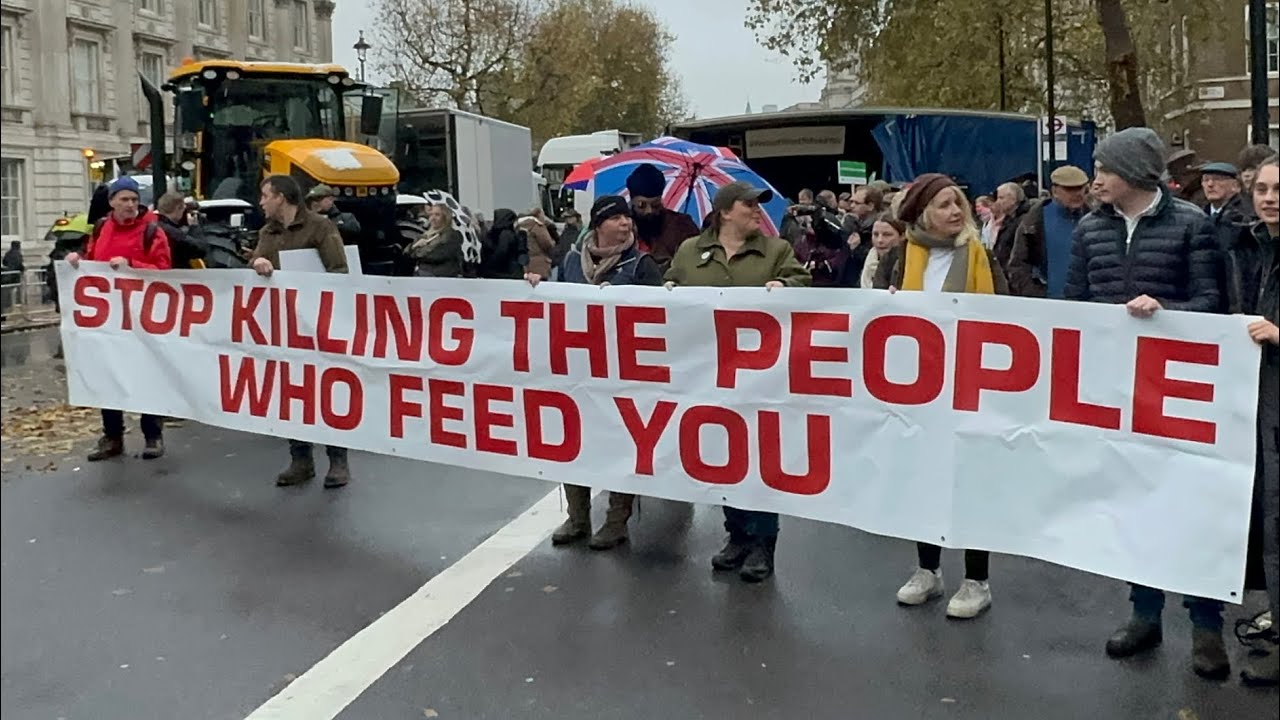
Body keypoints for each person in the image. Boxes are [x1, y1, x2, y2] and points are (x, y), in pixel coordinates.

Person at [1062, 128, 1226, 679]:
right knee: (1133, 503)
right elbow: (1075, 303)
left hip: (1179, 393)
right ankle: (1144, 612)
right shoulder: (1090, 228)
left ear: (1131, 172)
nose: (1096, 177)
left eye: (1103, 168)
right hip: (1119, 392)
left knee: (1192, 506)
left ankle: (1206, 625)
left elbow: (1212, 301)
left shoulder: (1190, 225)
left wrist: (1166, 310)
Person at [873, 173, 1007, 619]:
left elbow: (1007, 315)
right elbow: (880, 315)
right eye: (945, 205)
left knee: (972, 482)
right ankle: (928, 569)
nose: (955, 212)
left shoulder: (979, 255)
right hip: (919, 387)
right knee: (922, 477)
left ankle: (976, 579)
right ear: (922, 213)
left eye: (958, 204)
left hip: (969, 385)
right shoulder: (902, 256)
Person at [664, 181, 811, 582]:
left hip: (761, 375)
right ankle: (737, 535)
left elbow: (805, 284)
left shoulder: (775, 250)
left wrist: (785, 286)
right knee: (722, 454)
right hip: (708, 372)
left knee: (759, 456)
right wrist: (668, 290)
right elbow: (667, 291)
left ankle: (764, 541)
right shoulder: (690, 251)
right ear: (726, 211)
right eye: (748, 205)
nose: (755, 212)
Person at [545, 195, 665, 550]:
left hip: (623, 372)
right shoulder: (570, 262)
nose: (626, 224)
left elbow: (659, 315)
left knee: (620, 444)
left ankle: (616, 520)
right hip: (578, 370)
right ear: (598, 225)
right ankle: (577, 517)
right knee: (573, 441)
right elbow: (551, 303)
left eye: (628, 219)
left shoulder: (641, 264)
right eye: (617, 219)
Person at [250, 174, 353, 489]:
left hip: (317, 324)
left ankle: (337, 460)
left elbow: (339, 270)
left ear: (280, 196)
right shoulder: (268, 231)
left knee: (324, 389)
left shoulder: (320, 227)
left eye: (265, 195)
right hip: (283, 325)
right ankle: (300, 458)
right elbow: (257, 257)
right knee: (292, 391)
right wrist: (257, 262)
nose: (262, 202)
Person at [65, 175, 172, 462]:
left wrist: (132, 266)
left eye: (135, 200)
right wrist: (77, 262)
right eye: (124, 199)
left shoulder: (152, 231)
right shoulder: (101, 228)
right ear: (112, 201)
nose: (130, 205)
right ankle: (112, 436)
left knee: (146, 375)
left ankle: (153, 436)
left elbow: (164, 272)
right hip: (108, 320)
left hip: (142, 318)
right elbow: (91, 261)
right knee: (108, 376)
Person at [1226, 159, 1279, 686]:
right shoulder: (1244, 247)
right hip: (1258, 404)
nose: (1269, 198)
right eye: (1261, 188)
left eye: (1279, 189)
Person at [1006, 165, 1091, 298]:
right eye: (1069, 189)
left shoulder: (1095, 219)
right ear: (1055, 191)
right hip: (1046, 307)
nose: (1077, 194)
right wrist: (1033, 295)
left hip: (1089, 306)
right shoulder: (1034, 220)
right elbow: (1018, 265)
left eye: (1080, 188)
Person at [625, 163, 699, 269]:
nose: (649, 211)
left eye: (655, 205)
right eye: (642, 205)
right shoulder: (623, 227)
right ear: (632, 202)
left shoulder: (682, 225)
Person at [407, 202, 466, 278]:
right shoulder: (424, 235)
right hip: (421, 278)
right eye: (431, 214)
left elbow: (438, 256)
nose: (433, 218)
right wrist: (415, 246)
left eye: (437, 215)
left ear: (445, 217)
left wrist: (417, 251)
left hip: (441, 278)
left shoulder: (453, 235)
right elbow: (406, 253)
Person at [154, 191, 207, 270]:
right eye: (184, 209)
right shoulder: (172, 233)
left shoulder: (153, 224)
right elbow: (201, 249)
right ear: (178, 208)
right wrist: (194, 226)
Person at [857, 213, 905, 289]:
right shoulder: (861, 260)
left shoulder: (907, 265)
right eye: (875, 234)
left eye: (887, 235)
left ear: (902, 236)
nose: (880, 240)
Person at [991, 181, 1030, 271]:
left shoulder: (1024, 221)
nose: (998, 202)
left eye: (1001, 198)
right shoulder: (1008, 219)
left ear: (1013, 199)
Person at [479, 209, 524, 279]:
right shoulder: (507, 234)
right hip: (507, 274)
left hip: (496, 274)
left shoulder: (494, 234)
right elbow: (502, 251)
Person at [517, 211, 557, 284]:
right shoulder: (537, 226)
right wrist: (553, 242)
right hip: (539, 264)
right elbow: (547, 244)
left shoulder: (518, 226)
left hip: (524, 264)